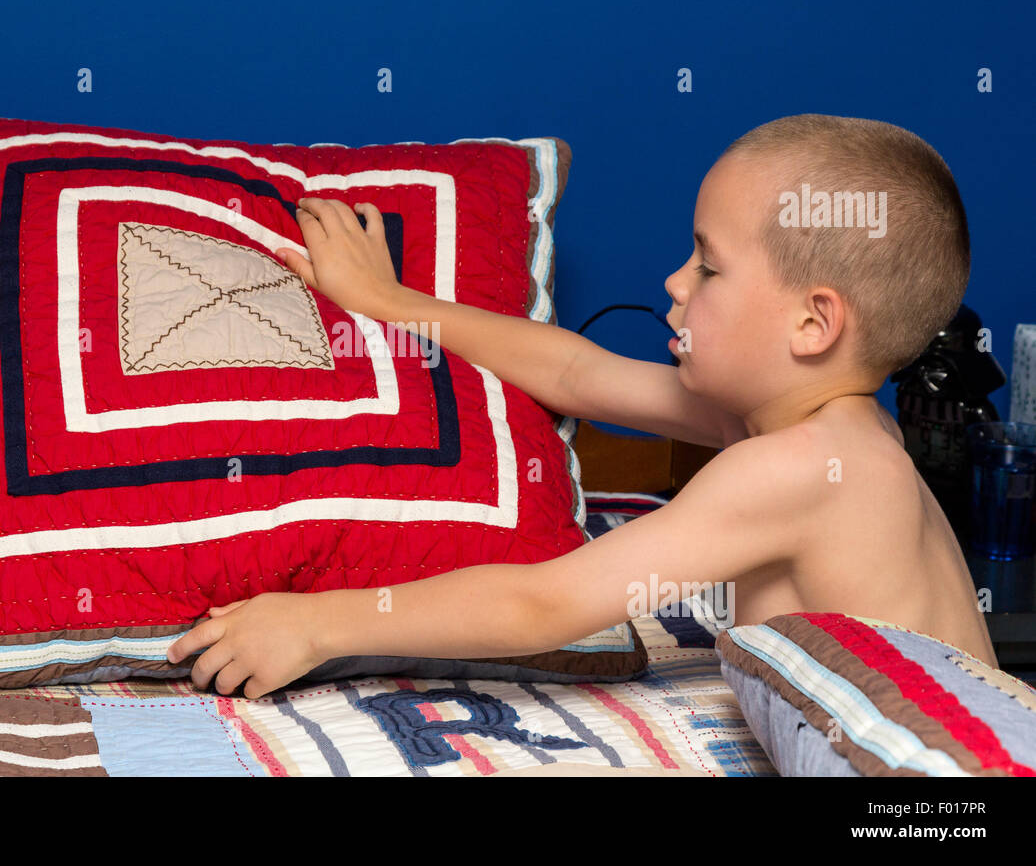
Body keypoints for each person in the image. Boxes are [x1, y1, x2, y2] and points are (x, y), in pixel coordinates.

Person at [167, 114, 998, 699]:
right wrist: (390, 302)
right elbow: (574, 373)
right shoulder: (811, 428)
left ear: (813, 323)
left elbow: (547, 604)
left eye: (708, 267)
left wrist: (319, 624)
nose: (675, 282)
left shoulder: (798, 471)